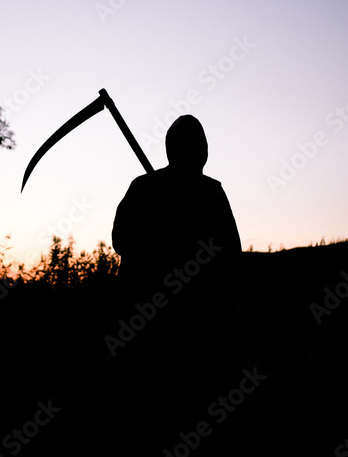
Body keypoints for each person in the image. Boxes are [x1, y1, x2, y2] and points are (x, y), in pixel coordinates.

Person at [108, 114, 244, 449]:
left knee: (203, 409)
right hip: (148, 320)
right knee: (143, 412)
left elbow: (231, 255)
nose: (190, 150)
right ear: (170, 148)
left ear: (204, 151)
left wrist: (197, 237)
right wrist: (165, 232)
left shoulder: (212, 193)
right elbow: (122, 240)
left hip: (202, 323)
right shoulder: (145, 189)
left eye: (195, 143)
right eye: (182, 142)